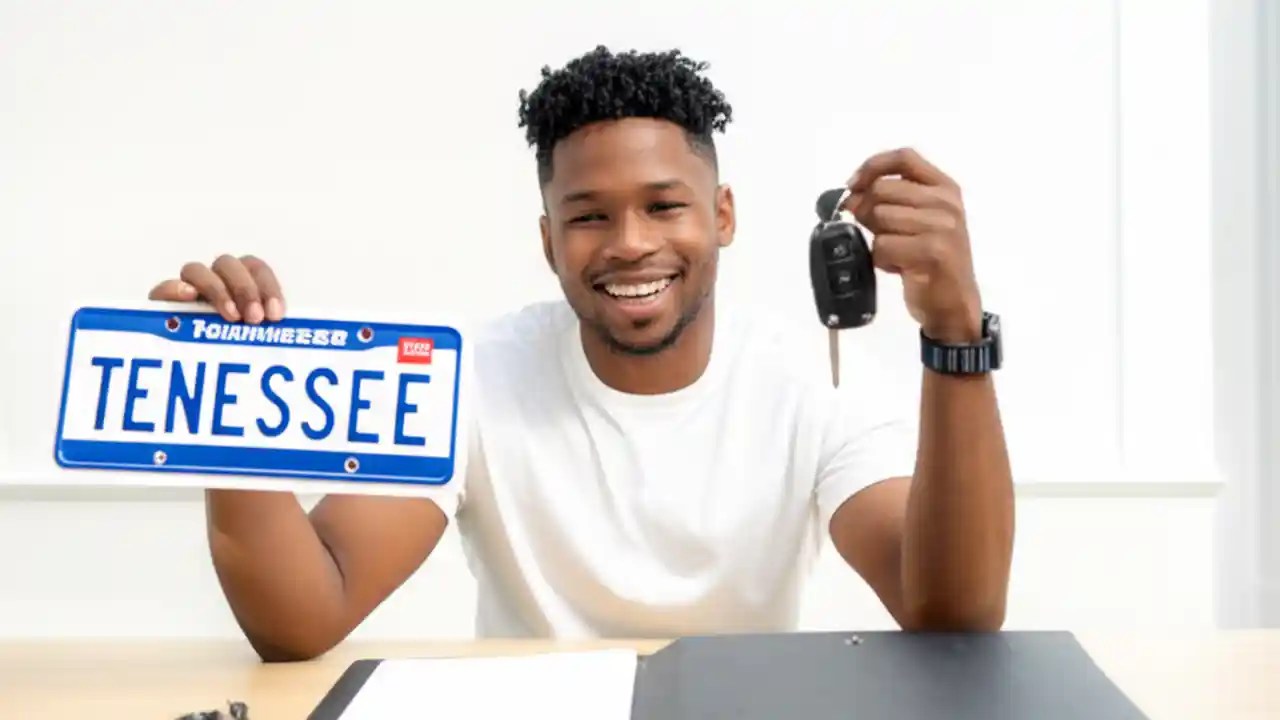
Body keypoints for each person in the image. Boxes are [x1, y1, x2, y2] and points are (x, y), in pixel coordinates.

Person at [146, 46, 1014, 661]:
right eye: (590, 216)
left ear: (723, 217)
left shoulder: (806, 381)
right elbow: (304, 617)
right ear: (549, 239)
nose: (630, 244)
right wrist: (230, 400)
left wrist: (954, 332)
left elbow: (950, 615)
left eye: (665, 206)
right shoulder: (471, 379)